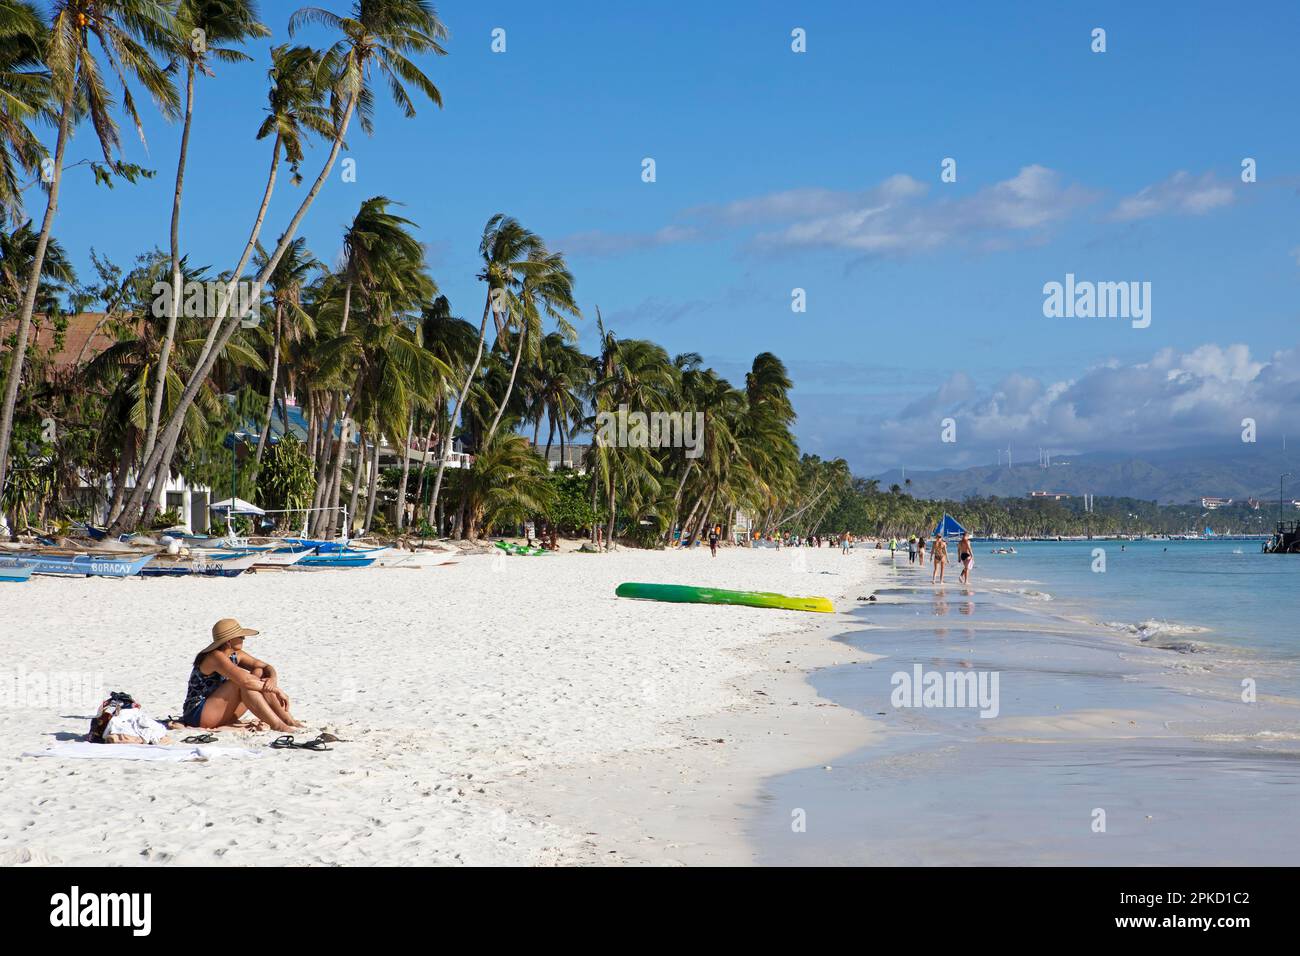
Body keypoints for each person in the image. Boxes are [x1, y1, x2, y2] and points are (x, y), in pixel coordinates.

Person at [181, 618, 304, 732]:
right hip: (197, 714)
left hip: (219, 710)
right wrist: (276, 690)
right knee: (238, 683)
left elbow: (265, 666)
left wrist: (272, 679)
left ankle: (288, 720)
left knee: (259, 672)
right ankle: (278, 725)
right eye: (241, 636)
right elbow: (245, 681)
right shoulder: (215, 656)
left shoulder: (236, 654)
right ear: (229, 641)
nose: (244, 638)